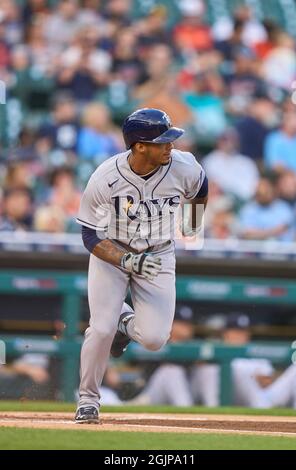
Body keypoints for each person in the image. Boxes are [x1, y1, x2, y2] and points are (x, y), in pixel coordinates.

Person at [74, 108, 208, 423]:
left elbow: (200, 187)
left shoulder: (185, 166)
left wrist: (192, 224)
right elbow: (89, 234)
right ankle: (88, 400)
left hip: (159, 253)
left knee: (154, 339)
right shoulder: (106, 177)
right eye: (162, 142)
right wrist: (126, 260)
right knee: (101, 328)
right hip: (113, 252)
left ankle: (126, 324)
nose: (170, 146)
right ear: (140, 146)